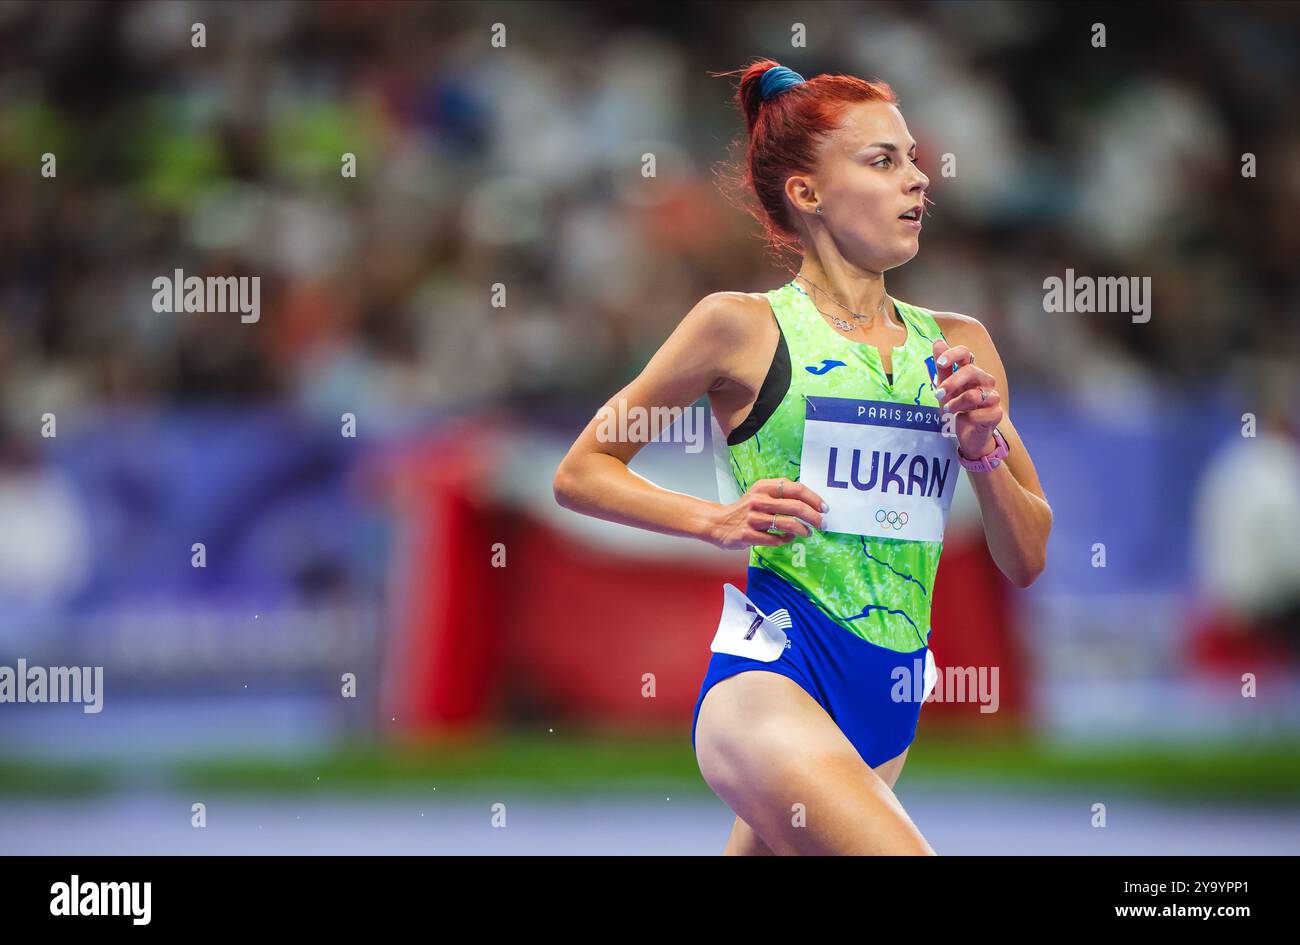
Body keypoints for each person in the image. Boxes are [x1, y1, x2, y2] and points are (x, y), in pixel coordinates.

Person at [552, 60, 1052, 855]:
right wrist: (716, 517)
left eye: (914, 158)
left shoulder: (958, 345)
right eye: (883, 161)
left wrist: (983, 452)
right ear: (807, 193)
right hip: (770, 683)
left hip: (886, 707)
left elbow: (1026, 557)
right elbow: (581, 470)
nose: (919, 180)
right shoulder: (738, 326)